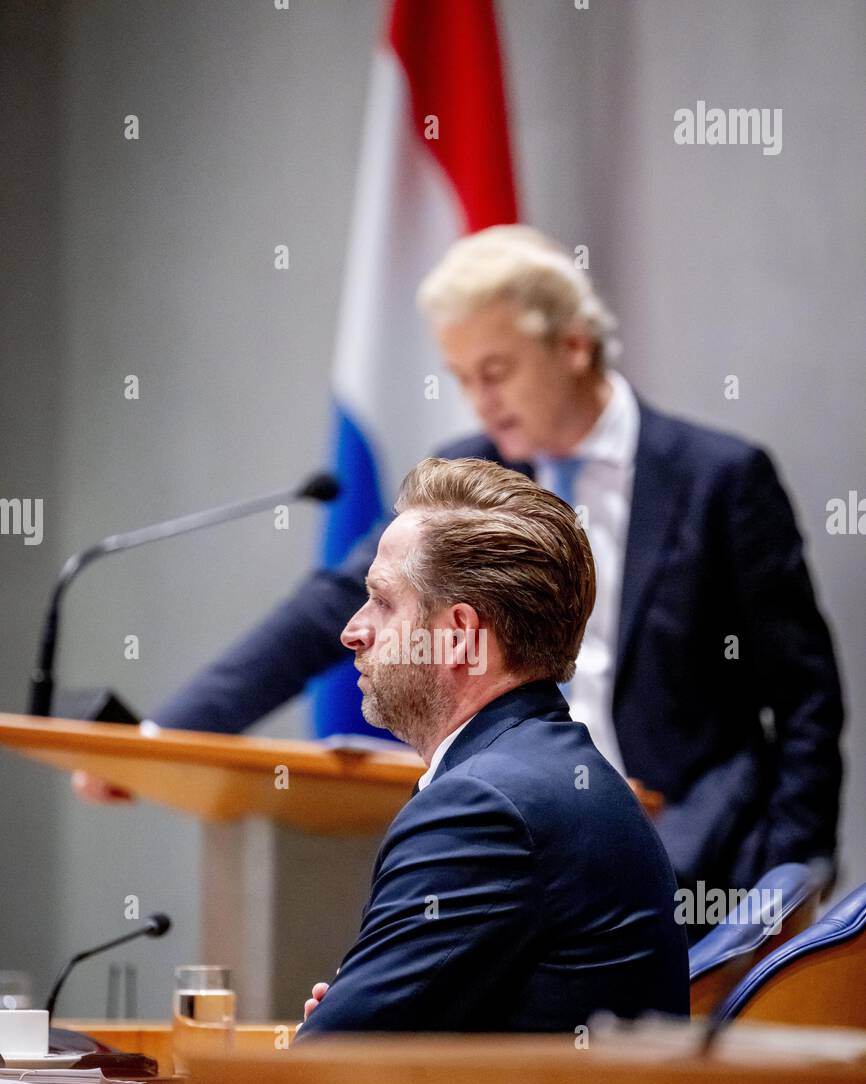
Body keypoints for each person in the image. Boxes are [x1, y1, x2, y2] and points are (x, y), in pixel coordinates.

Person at [76, 226, 844, 894]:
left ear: (573, 344)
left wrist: (792, 867)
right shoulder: (469, 474)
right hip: (522, 838)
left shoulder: (718, 478)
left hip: (697, 855)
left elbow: (806, 694)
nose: (479, 400)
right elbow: (330, 608)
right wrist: (158, 740)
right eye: (463, 377)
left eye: (497, 371)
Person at [293, 456, 688, 1037]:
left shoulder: (485, 808)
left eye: (381, 601)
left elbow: (321, 1074)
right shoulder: (540, 772)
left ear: (459, 635)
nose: (352, 631)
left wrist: (346, 1025)